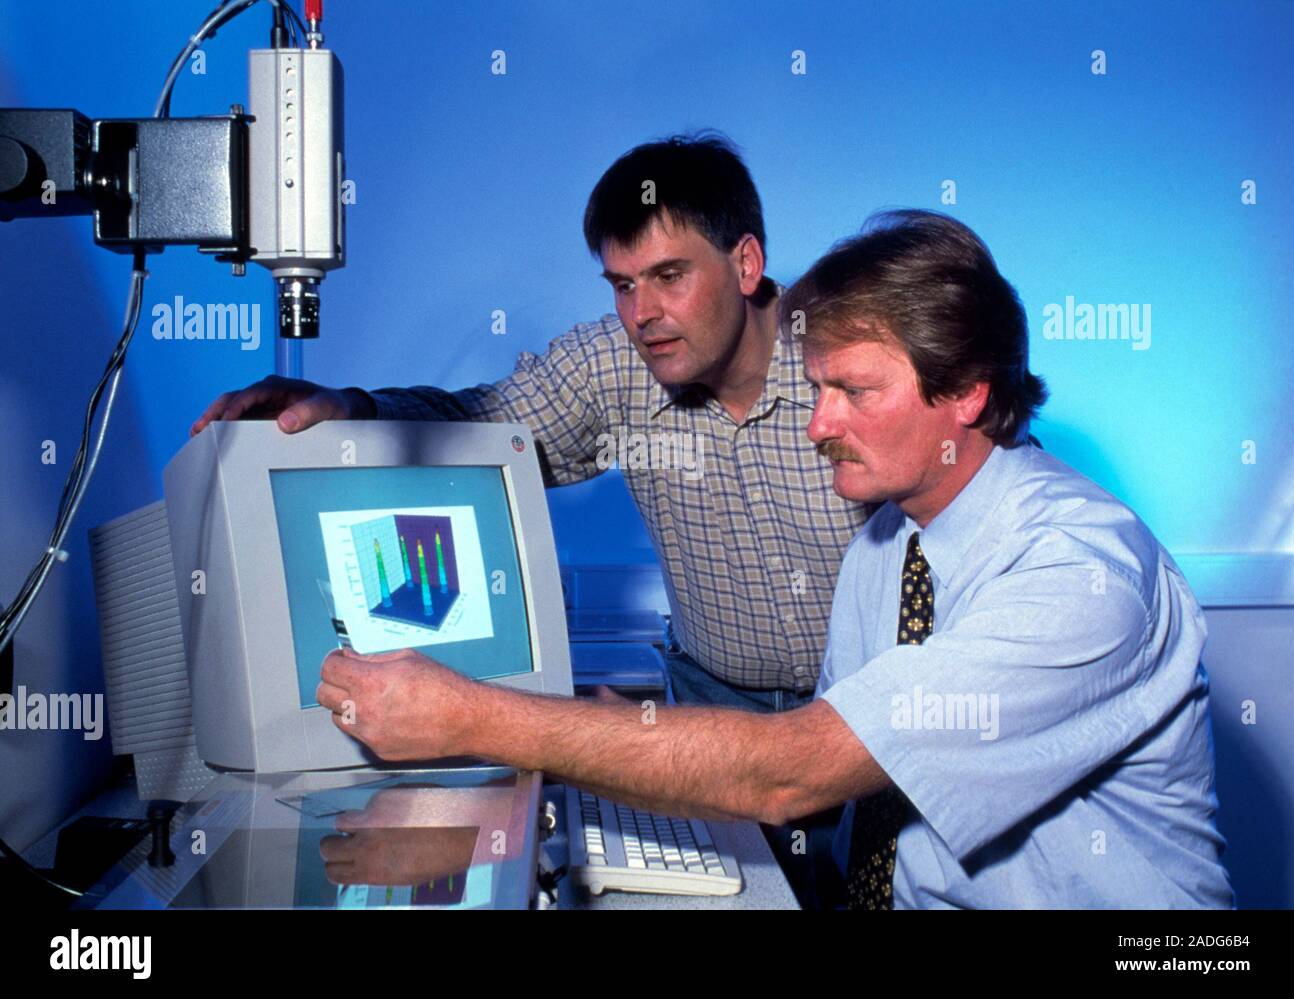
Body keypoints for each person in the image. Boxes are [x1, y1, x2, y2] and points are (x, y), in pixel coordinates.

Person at [310, 209, 1234, 908]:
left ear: (968, 392)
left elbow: (796, 770)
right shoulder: (887, 538)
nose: (819, 422)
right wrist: (607, 755)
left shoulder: (1080, 570)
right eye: (819, 387)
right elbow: (810, 790)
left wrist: (469, 715)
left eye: (852, 391)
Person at [191, 132, 865, 907]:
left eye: (669, 276)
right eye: (621, 284)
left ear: (746, 264)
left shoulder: (841, 362)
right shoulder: (615, 366)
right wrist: (355, 407)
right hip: (710, 708)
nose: (641, 314)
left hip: (855, 710)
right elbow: (480, 423)